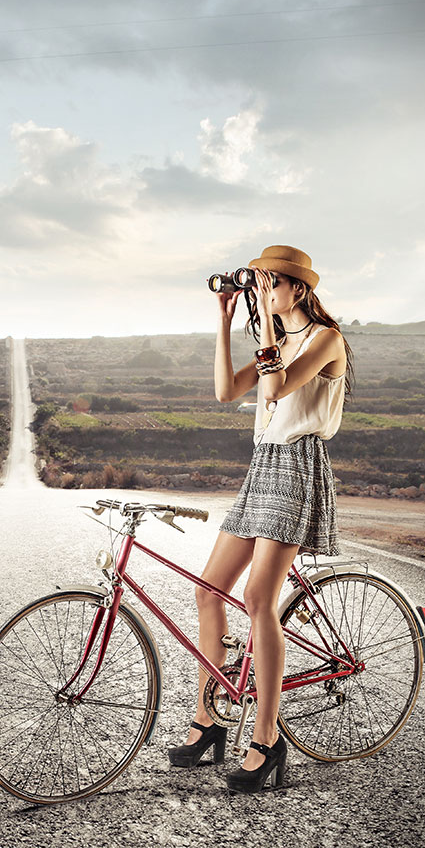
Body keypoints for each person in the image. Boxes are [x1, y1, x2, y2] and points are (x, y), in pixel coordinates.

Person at [168, 244, 354, 793]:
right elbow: (229, 392)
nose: (262, 294)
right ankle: (208, 722)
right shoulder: (279, 339)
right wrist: (225, 322)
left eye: (269, 284)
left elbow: (275, 388)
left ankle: (267, 739)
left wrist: (267, 333)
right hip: (263, 466)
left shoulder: (325, 339)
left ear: (296, 288)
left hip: (297, 466)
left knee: (256, 601)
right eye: (260, 286)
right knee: (209, 590)